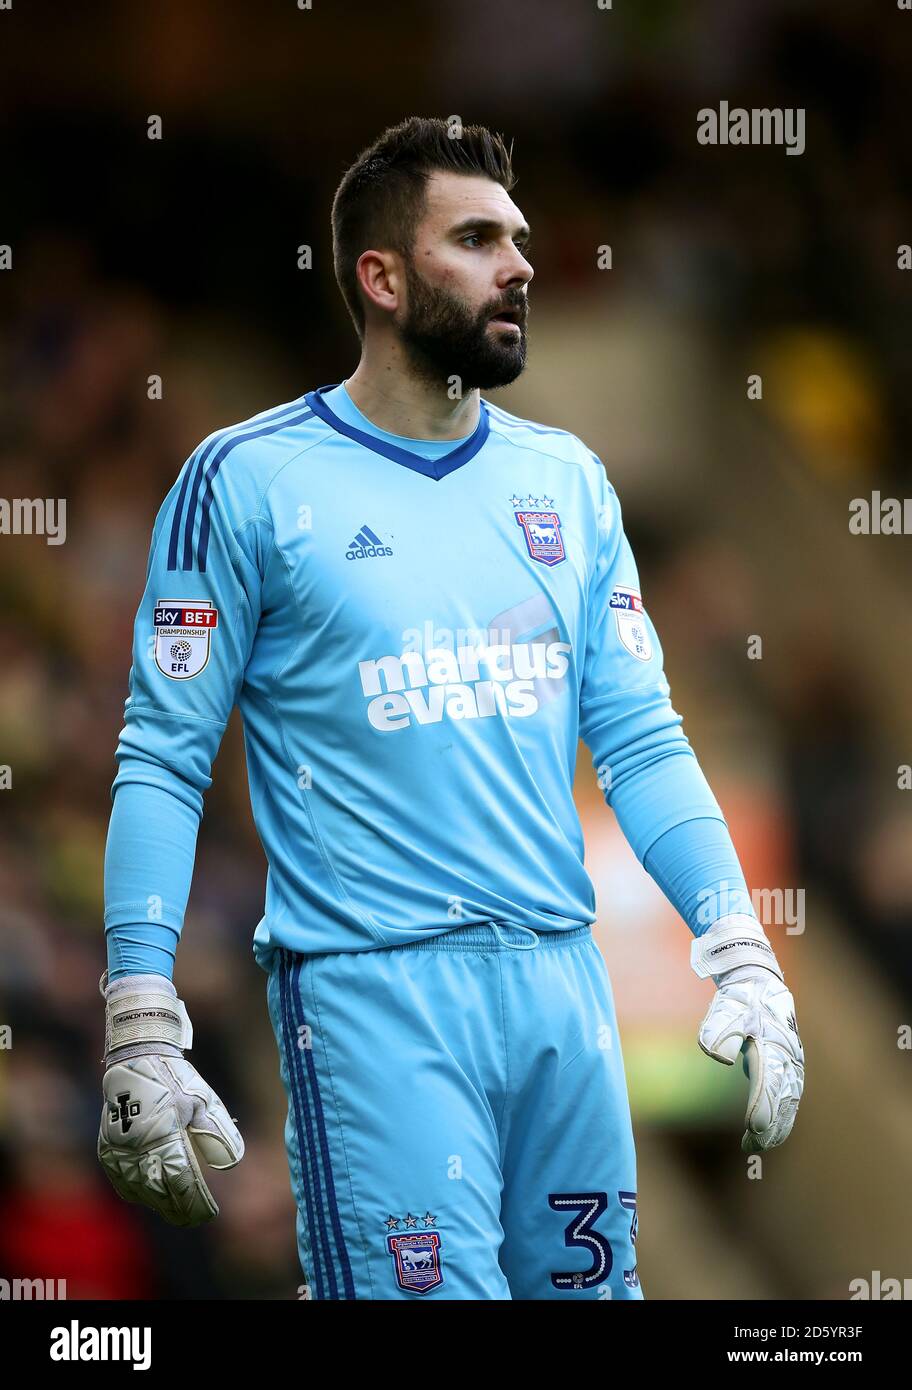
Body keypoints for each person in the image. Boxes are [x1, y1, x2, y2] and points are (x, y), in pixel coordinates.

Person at [98, 116, 804, 1300]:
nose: (520, 265)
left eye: (518, 240)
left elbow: (641, 739)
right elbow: (163, 757)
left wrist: (740, 947)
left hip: (561, 993)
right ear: (381, 278)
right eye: (476, 239)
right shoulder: (246, 481)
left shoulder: (567, 482)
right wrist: (138, 1008)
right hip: (374, 1000)